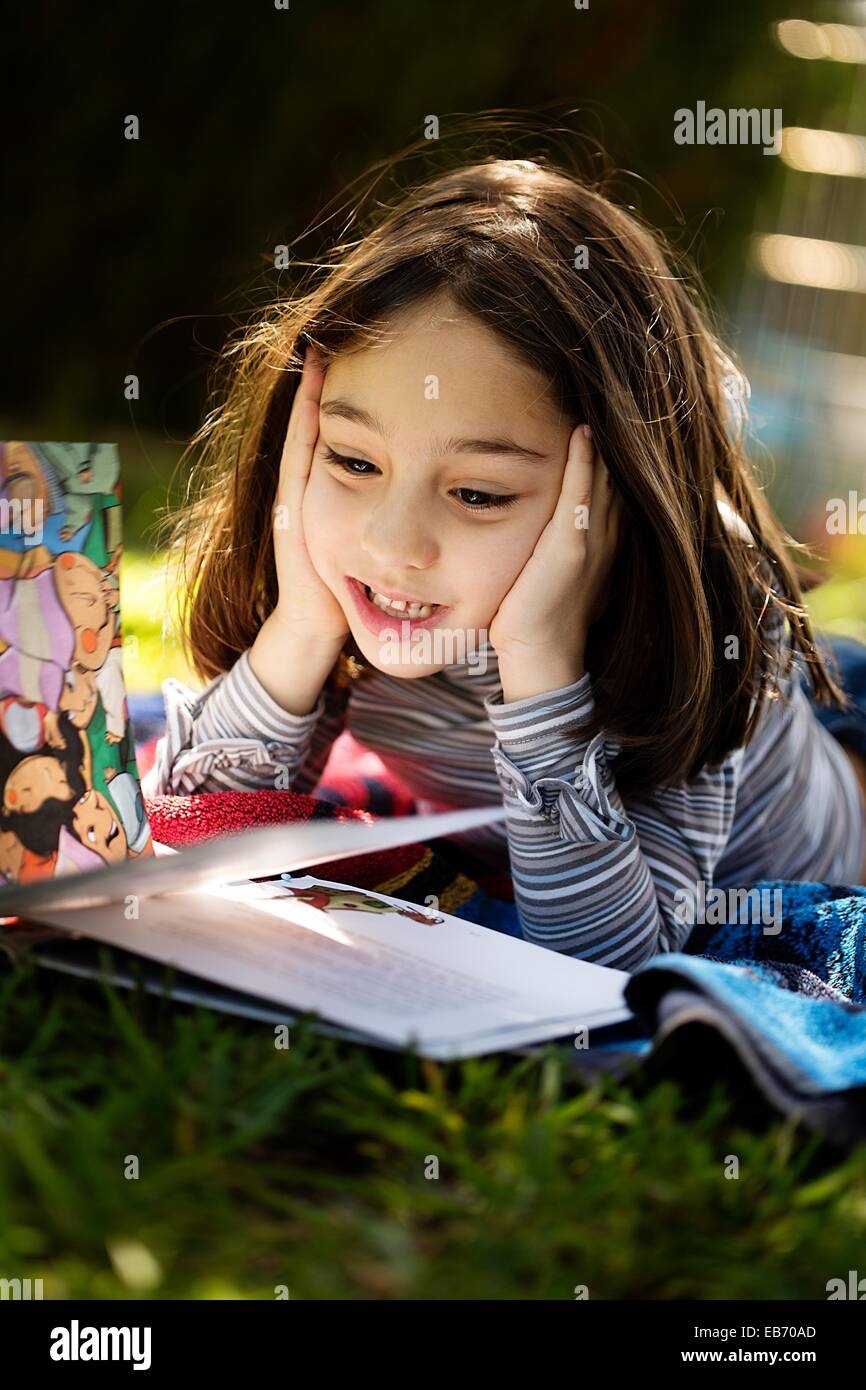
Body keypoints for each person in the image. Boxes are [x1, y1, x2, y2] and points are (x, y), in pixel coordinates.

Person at [143, 156, 866, 971]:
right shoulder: (336, 577)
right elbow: (187, 833)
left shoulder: (698, 610)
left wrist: (540, 665)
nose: (392, 544)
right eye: (352, 460)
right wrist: (302, 625)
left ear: (616, 495)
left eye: (479, 494)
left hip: (818, 842)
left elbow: (600, 960)